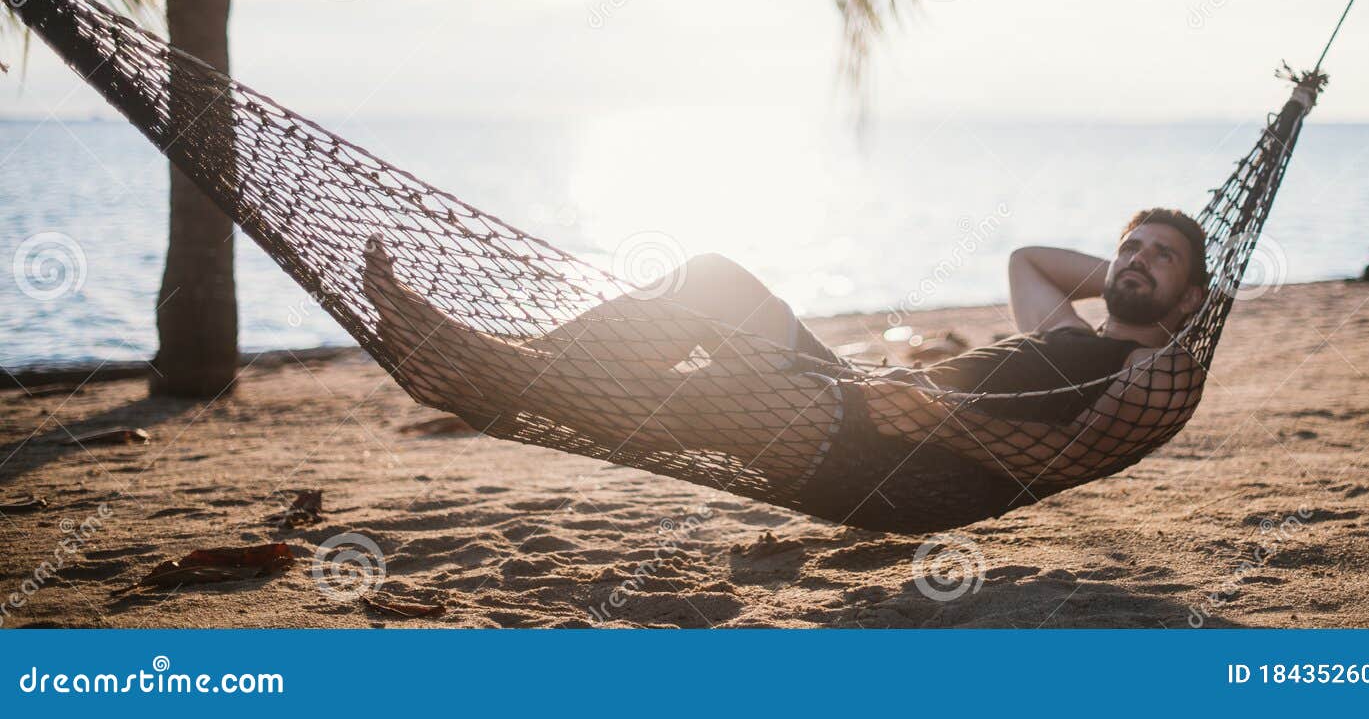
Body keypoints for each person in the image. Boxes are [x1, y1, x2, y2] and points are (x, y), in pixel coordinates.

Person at [361, 208, 1213, 514]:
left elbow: (1061, 460)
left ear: (1191, 301)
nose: (1136, 258)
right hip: (869, 397)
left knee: (724, 393)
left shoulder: (1153, 372)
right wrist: (1131, 275)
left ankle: (481, 372)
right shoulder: (1075, 331)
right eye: (1128, 245)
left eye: (1160, 256)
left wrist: (939, 417)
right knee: (717, 280)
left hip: (907, 458)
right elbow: (1027, 257)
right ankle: (507, 363)